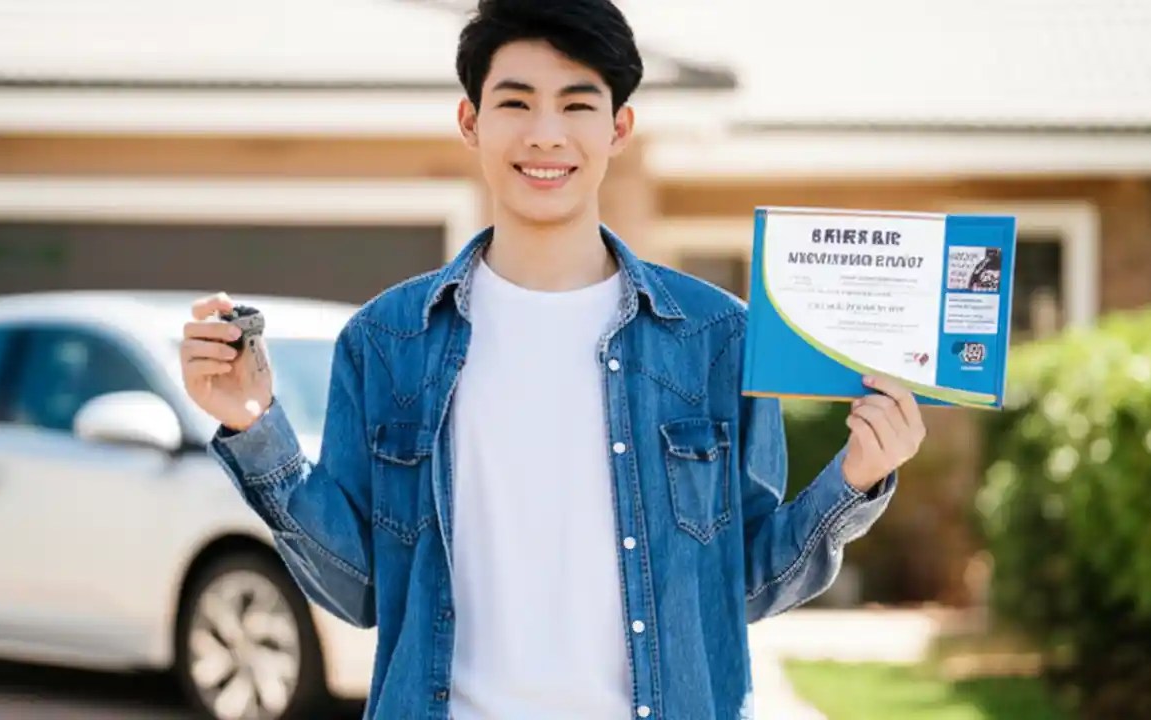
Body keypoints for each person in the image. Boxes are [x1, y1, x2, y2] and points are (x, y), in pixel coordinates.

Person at [180, 1, 924, 718]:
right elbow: (361, 589)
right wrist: (255, 428)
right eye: (515, 102)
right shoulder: (385, 341)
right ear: (470, 122)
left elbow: (747, 585)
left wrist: (856, 477)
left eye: (576, 104)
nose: (545, 135)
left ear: (618, 127)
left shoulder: (717, 339)